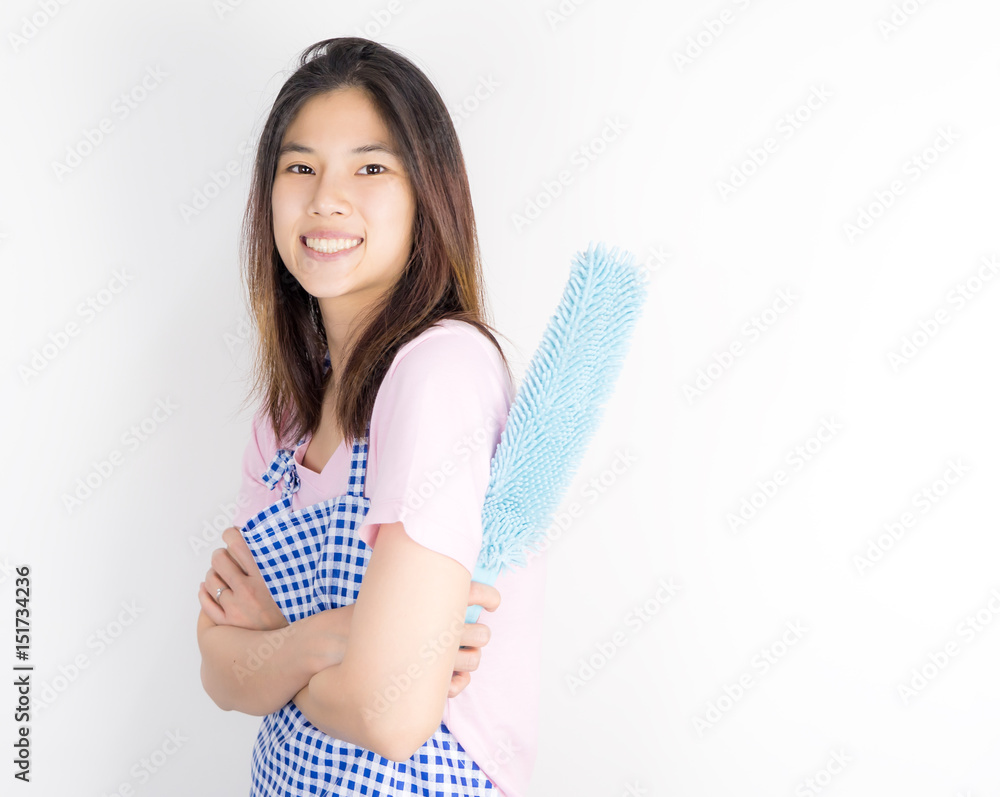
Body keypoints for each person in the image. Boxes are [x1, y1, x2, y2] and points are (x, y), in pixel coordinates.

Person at [194, 37, 546, 797]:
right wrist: (341, 640)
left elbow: (392, 718)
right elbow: (218, 672)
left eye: (371, 167)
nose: (326, 198)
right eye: (300, 168)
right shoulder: (288, 416)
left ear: (428, 194)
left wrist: (275, 648)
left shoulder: (439, 372)